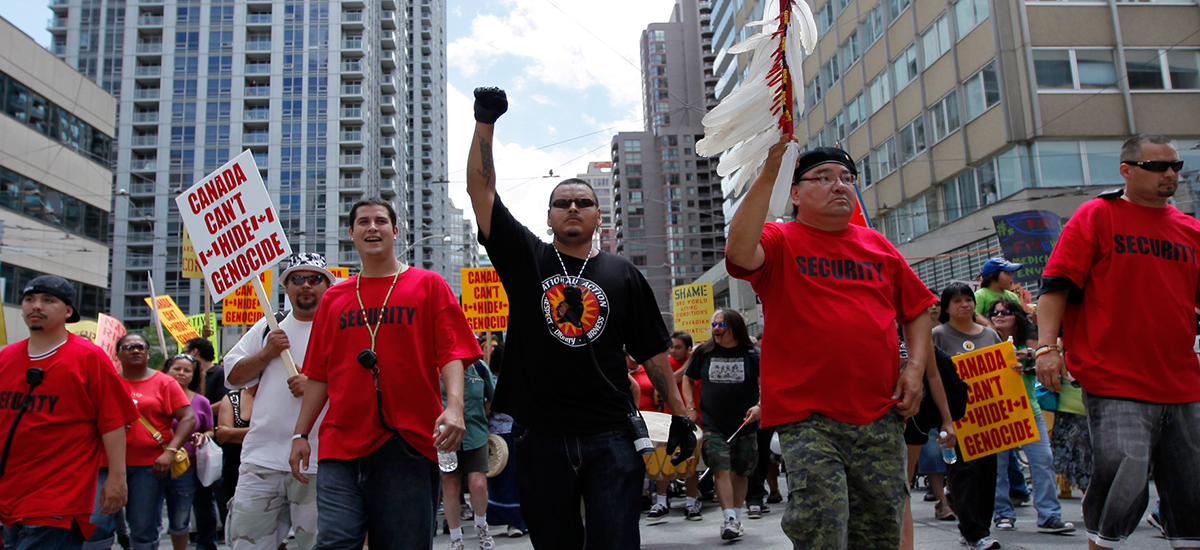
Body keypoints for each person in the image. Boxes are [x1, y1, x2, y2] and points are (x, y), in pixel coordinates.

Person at [466, 87, 696, 549]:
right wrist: (485, 121)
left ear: (598, 217)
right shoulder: (525, 257)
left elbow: (653, 352)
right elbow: (481, 189)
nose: (573, 207)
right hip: (540, 436)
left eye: (584, 203)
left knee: (616, 542)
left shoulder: (622, 272)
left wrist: (682, 416)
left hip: (611, 435)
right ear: (548, 217)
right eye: (562, 203)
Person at [724, 139, 935, 550]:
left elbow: (918, 311)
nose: (839, 186)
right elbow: (739, 251)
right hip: (809, 418)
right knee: (820, 526)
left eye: (846, 179)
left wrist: (915, 370)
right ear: (796, 194)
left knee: (880, 531)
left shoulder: (879, 246)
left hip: (880, 415)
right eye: (823, 178)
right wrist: (769, 173)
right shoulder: (780, 240)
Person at [1036, 134, 1200, 550]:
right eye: (1158, 167)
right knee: (1122, 480)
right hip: (1115, 378)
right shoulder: (1096, 216)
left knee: (1192, 490)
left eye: (1176, 167)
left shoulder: (1191, 230)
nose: (1170, 175)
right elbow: (1055, 288)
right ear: (1126, 170)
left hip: (1182, 381)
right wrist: (1046, 348)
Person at [289, 198, 481, 549]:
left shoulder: (429, 285)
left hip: (407, 441)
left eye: (380, 221)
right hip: (340, 445)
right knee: (335, 541)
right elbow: (318, 373)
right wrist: (300, 434)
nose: (372, 228)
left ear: (395, 231)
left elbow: (452, 352)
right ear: (351, 233)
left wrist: (454, 407)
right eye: (363, 222)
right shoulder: (333, 298)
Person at [0, 276, 140, 550]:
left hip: (58, 499)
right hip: (8, 496)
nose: (36, 306)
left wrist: (117, 478)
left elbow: (113, 422)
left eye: (48, 300)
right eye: (29, 299)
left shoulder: (89, 357)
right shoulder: (5, 358)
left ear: (68, 311)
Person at [225, 253, 334, 550]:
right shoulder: (266, 328)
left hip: (318, 463)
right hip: (260, 461)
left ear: (328, 285)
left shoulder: (341, 329)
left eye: (315, 279)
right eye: (297, 279)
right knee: (247, 544)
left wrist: (316, 387)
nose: (306, 285)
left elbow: (361, 388)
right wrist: (265, 354)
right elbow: (232, 377)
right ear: (286, 287)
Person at [85, 333, 196, 550]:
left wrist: (170, 452)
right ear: (117, 354)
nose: (135, 350)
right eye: (128, 347)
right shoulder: (105, 382)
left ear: (147, 351)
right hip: (104, 465)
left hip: (148, 468)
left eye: (140, 346)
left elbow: (188, 418)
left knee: (143, 527)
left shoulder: (165, 382)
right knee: (96, 524)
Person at [985, 298, 1074, 534]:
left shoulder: (1029, 340)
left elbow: (1043, 360)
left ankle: (1049, 515)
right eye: (994, 312)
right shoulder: (983, 339)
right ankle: (1002, 514)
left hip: (1027, 409)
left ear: (1017, 316)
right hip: (997, 413)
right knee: (998, 467)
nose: (999, 316)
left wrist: (1028, 357)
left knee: (1043, 460)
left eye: (1005, 312)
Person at [933, 284, 1002, 550]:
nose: (965, 305)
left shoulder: (990, 335)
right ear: (946, 307)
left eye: (968, 299)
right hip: (954, 420)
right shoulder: (937, 336)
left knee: (986, 474)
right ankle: (975, 533)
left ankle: (979, 527)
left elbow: (1003, 370)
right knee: (962, 471)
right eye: (957, 300)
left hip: (988, 419)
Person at [681, 309, 760, 540]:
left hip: (745, 423)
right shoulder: (704, 352)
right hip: (713, 424)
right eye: (714, 324)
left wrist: (759, 405)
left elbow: (766, 381)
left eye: (721, 324)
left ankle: (736, 516)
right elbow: (687, 378)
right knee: (720, 468)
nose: (716, 329)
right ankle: (729, 519)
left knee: (741, 471)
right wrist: (691, 408)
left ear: (734, 327)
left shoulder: (751, 354)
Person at [162, 354, 216, 550]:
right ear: (167, 370)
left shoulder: (201, 401)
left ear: (194, 376)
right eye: (177, 369)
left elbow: (209, 428)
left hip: (187, 466)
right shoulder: (155, 395)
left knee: (180, 518)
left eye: (187, 370)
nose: (181, 374)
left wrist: (205, 436)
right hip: (152, 463)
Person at [441, 359, 495, 550]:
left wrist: (484, 415)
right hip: (445, 436)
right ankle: (456, 538)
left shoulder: (479, 367)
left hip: (475, 433)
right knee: (450, 485)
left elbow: (493, 396)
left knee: (478, 483)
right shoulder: (435, 367)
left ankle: (482, 526)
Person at [184, 336, 222, 550]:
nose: (182, 373)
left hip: (205, 450)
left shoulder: (218, 374)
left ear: (195, 353)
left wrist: (202, 408)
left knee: (205, 498)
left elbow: (226, 401)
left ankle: (207, 543)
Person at [666, 332, 702, 521]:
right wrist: (689, 365)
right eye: (671, 347)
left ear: (689, 349)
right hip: (668, 417)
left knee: (692, 461)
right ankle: (661, 502)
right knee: (664, 458)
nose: (673, 350)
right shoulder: (668, 363)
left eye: (677, 347)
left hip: (693, 419)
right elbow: (669, 381)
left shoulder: (699, 364)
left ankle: (691, 501)